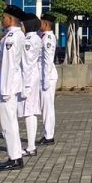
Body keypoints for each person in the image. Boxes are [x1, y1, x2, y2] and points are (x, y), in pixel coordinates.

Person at [0, 5, 28, 170]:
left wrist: (4, 90)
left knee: (7, 123)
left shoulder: (11, 38)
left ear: (11, 19)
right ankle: (15, 155)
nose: (2, 20)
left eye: (4, 17)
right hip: (12, 83)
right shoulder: (17, 35)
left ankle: (15, 157)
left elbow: (7, 65)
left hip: (7, 85)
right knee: (11, 122)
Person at [19, 15, 43, 157]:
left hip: (28, 78)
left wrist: (26, 85)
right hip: (33, 76)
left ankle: (31, 146)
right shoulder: (36, 39)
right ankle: (31, 145)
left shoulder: (28, 41)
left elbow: (27, 64)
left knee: (28, 111)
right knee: (31, 111)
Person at [39, 13, 59, 146]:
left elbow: (47, 60)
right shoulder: (43, 36)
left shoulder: (48, 39)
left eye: (41, 22)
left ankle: (49, 135)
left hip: (48, 76)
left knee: (47, 107)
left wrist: (45, 78)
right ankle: (47, 134)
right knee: (45, 107)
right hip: (45, 75)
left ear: (46, 24)